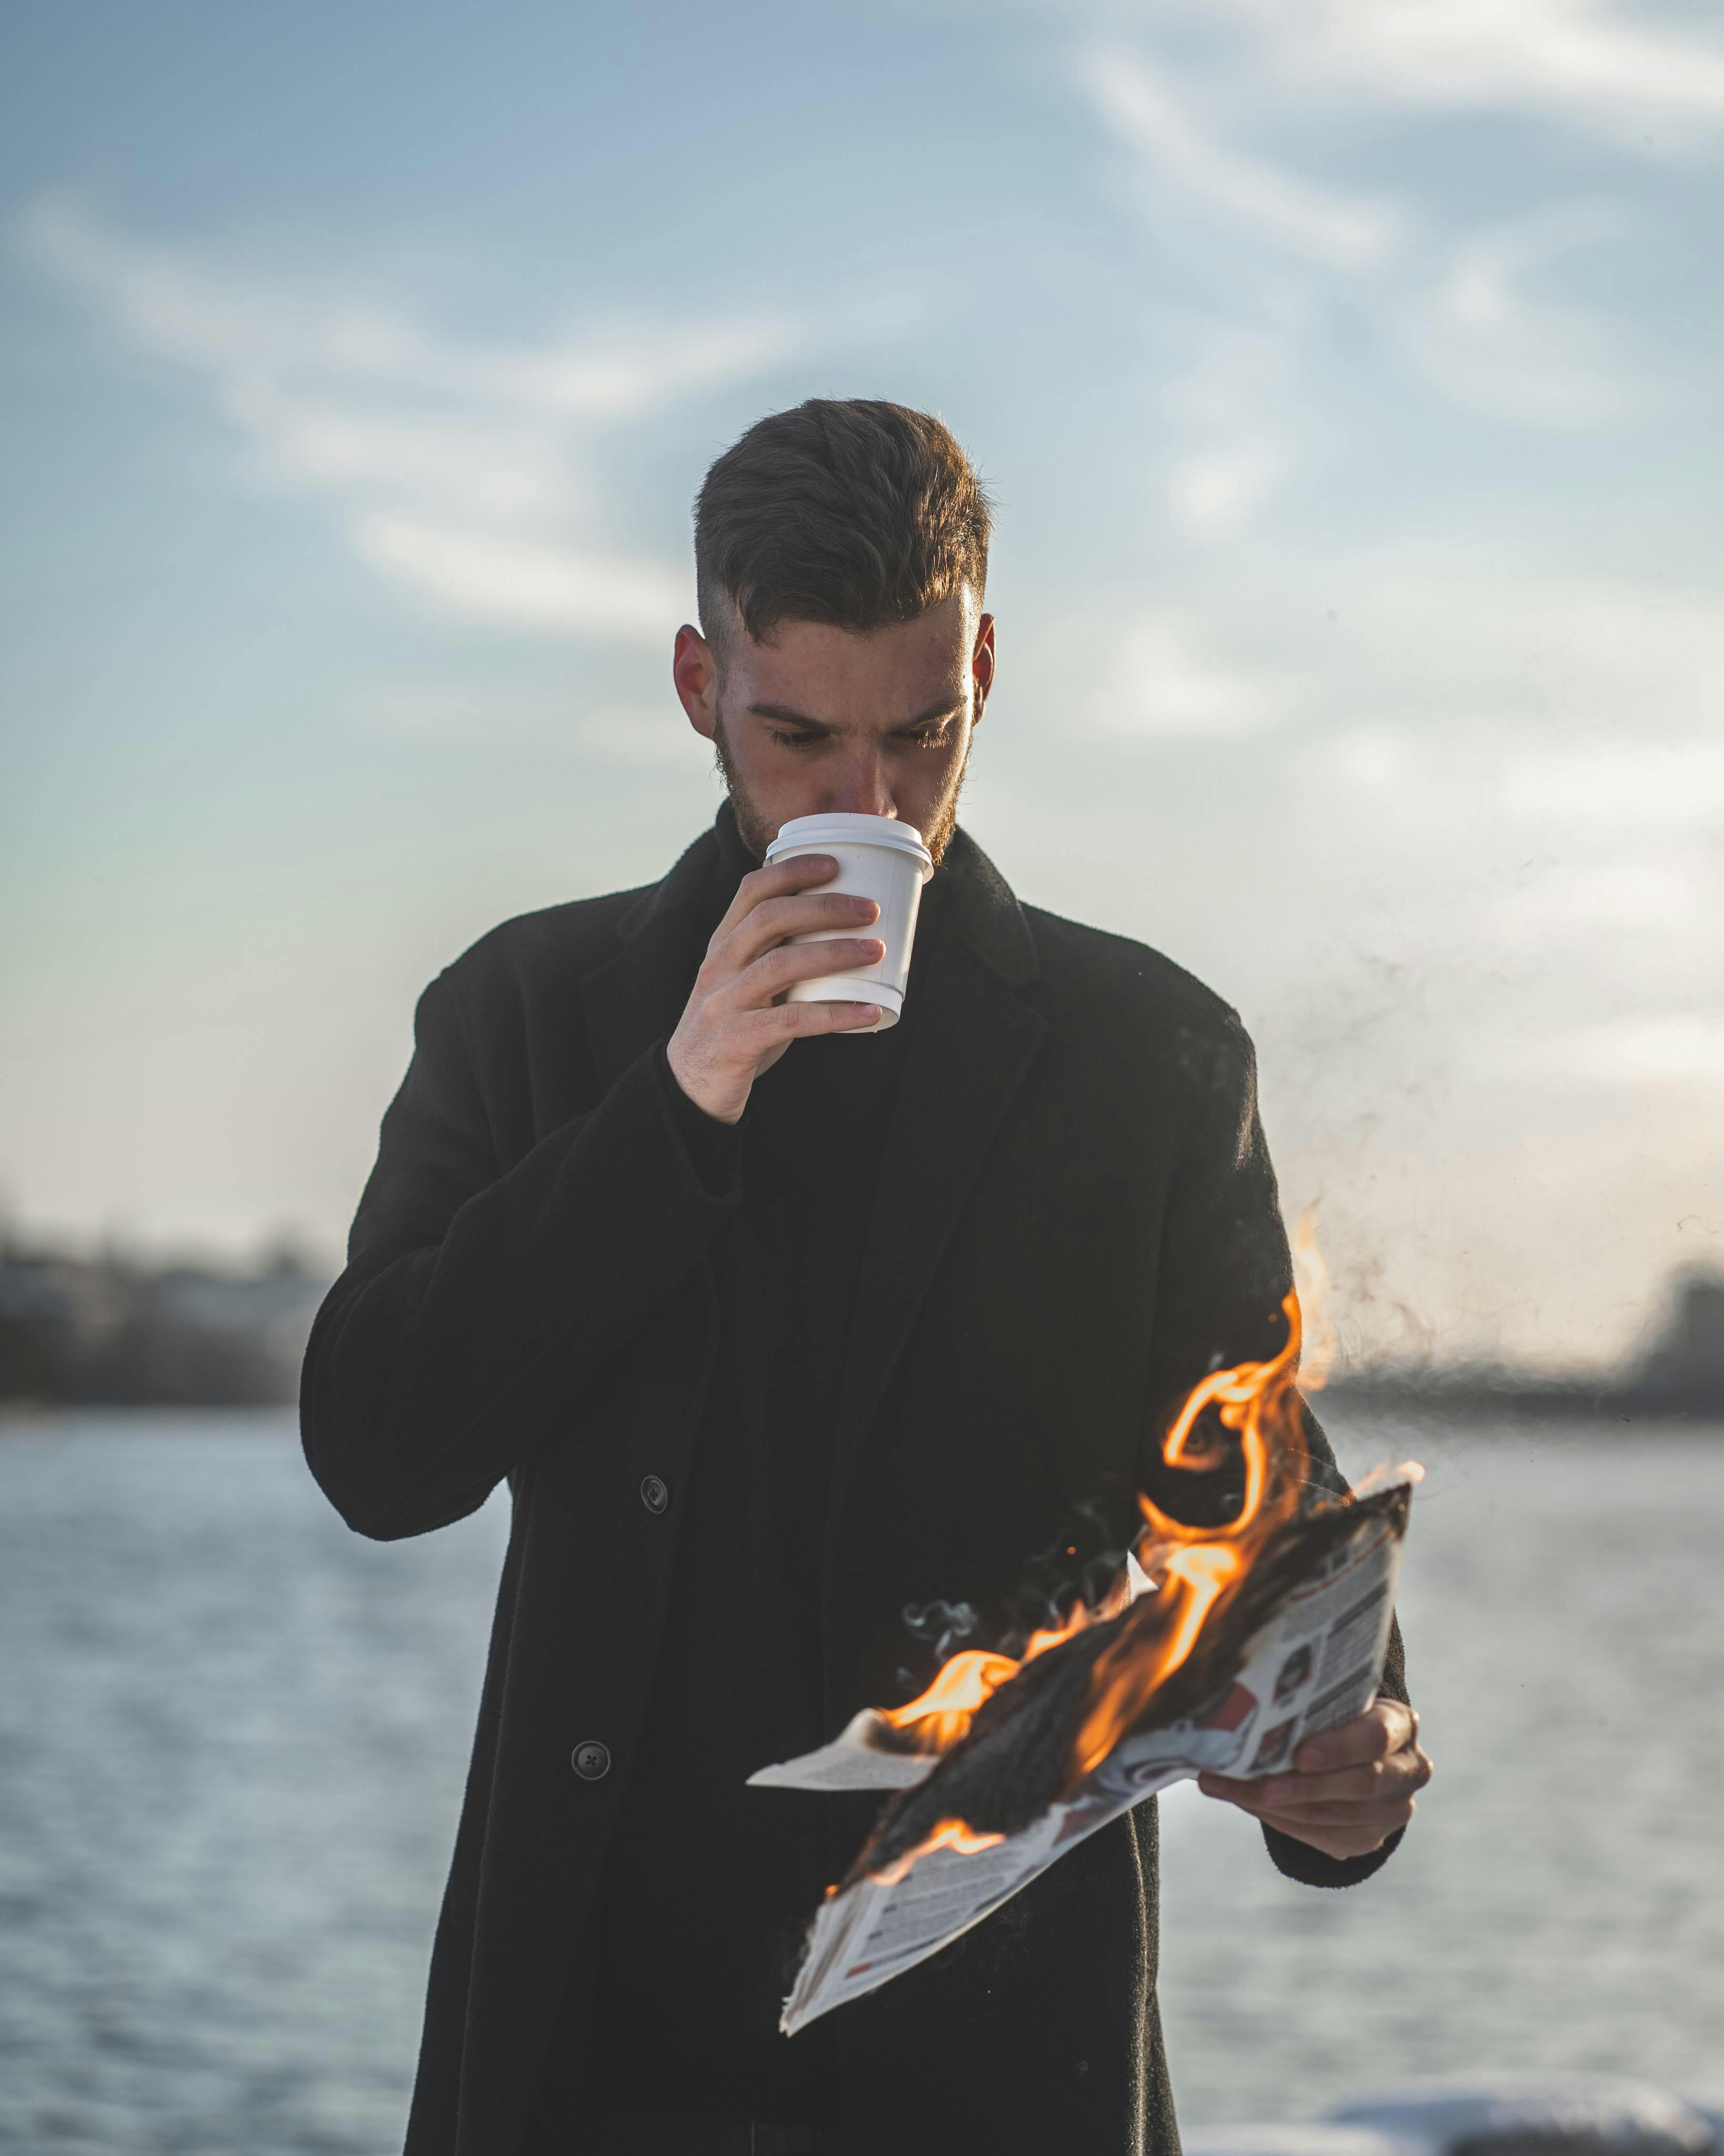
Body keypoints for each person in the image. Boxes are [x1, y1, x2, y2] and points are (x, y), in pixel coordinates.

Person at [300, 399, 1431, 2156]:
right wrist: (673, 1106)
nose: (868, 803)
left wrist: (1342, 1768)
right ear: (698, 686)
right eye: (798, 737)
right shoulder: (529, 1011)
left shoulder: (1145, 1052)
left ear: (983, 663)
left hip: (992, 2048)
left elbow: (1259, 1492)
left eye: (923, 733)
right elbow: (376, 1454)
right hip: (594, 2036)